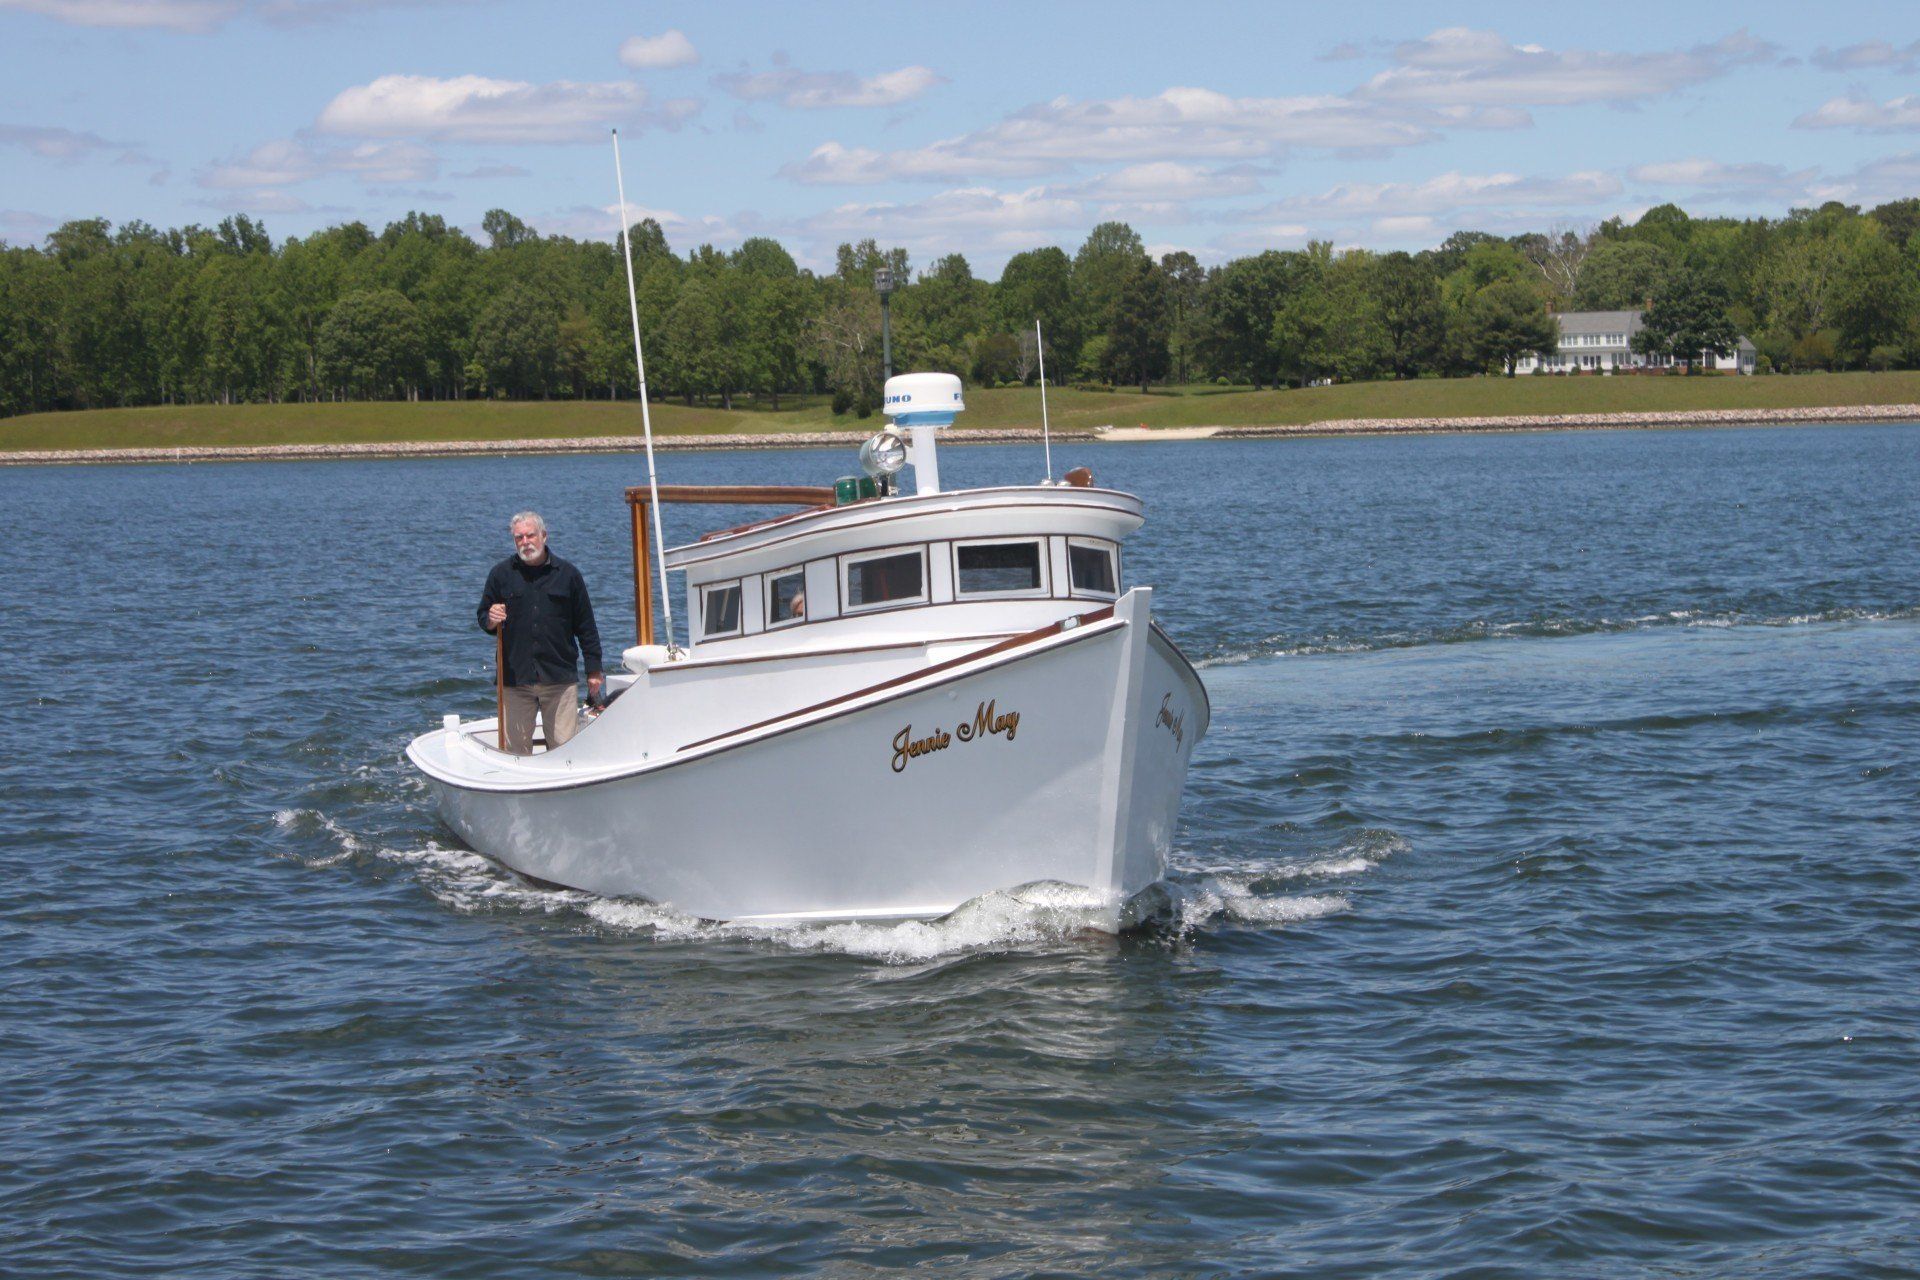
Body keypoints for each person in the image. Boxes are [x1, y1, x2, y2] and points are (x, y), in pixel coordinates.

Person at [477, 510, 603, 755]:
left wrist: (594, 669)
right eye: (519, 538)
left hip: (559, 679)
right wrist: (491, 619)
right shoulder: (500, 575)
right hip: (514, 679)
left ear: (544, 536)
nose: (525, 542)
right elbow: (483, 616)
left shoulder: (568, 575)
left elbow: (586, 625)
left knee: (564, 751)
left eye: (530, 536)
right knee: (515, 753)